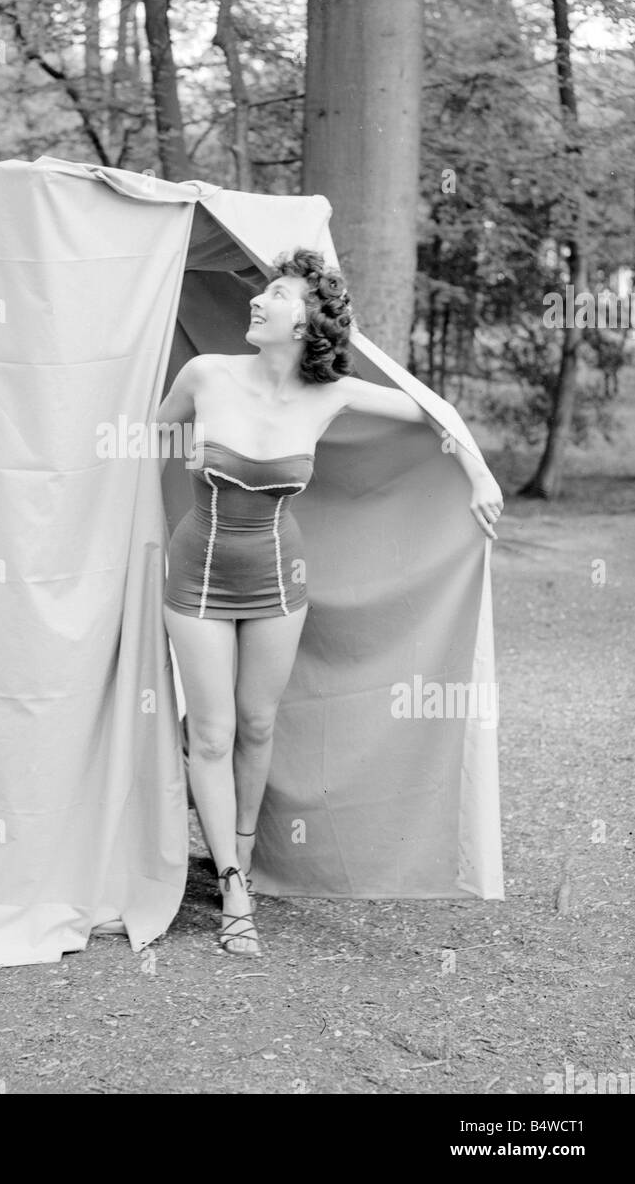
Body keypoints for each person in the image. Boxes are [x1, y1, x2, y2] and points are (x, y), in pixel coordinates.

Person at [158, 248, 504, 956]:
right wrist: (182, 448)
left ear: (306, 321)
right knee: (213, 732)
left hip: (278, 580)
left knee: (257, 727)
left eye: (275, 294)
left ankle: (243, 864)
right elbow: (143, 435)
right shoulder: (205, 375)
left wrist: (476, 470)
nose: (257, 301)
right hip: (195, 574)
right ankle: (229, 886)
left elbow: (431, 409)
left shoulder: (332, 394)